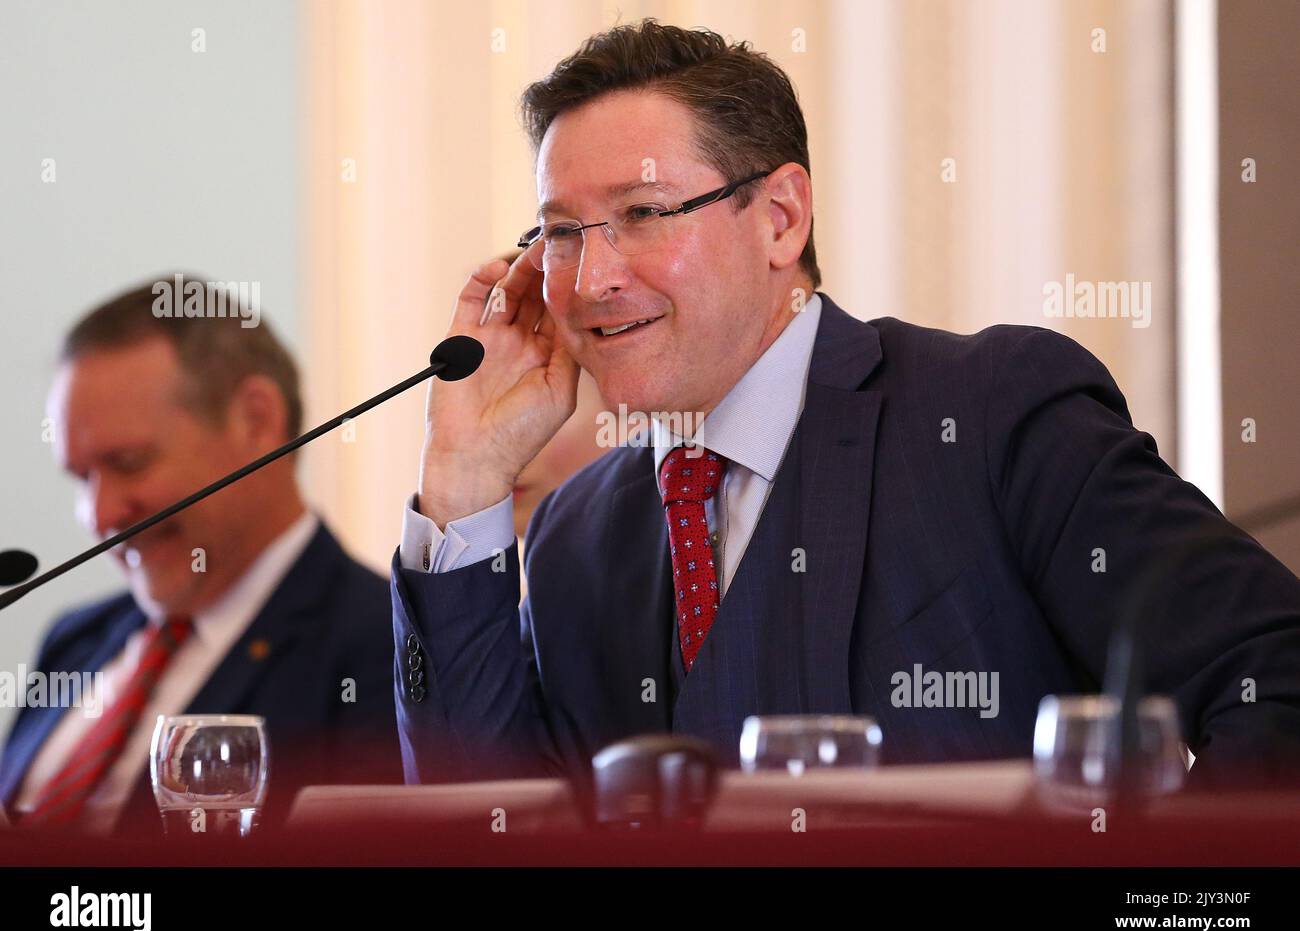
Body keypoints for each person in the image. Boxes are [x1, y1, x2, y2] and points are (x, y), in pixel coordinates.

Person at [391, 20, 1300, 787]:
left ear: (781, 217)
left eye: (641, 213)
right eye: (559, 233)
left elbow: (1272, 680)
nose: (589, 279)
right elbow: (484, 823)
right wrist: (464, 478)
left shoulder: (992, 416)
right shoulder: (575, 536)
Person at [0, 278, 401, 837]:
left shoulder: (389, 649)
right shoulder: (74, 639)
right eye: (82, 477)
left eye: (130, 462)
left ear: (257, 420)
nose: (100, 514)